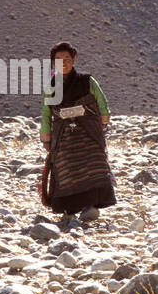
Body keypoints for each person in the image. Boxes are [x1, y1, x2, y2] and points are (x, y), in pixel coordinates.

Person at [38, 41, 116, 220]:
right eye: (58, 59)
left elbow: (101, 102)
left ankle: (91, 205)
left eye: (67, 58)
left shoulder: (87, 81)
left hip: (88, 131)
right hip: (63, 134)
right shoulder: (51, 87)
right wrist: (46, 137)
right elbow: (45, 113)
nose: (63, 62)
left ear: (74, 59)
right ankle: (69, 207)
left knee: (93, 163)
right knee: (66, 166)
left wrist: (103, 119)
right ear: (53, 63)